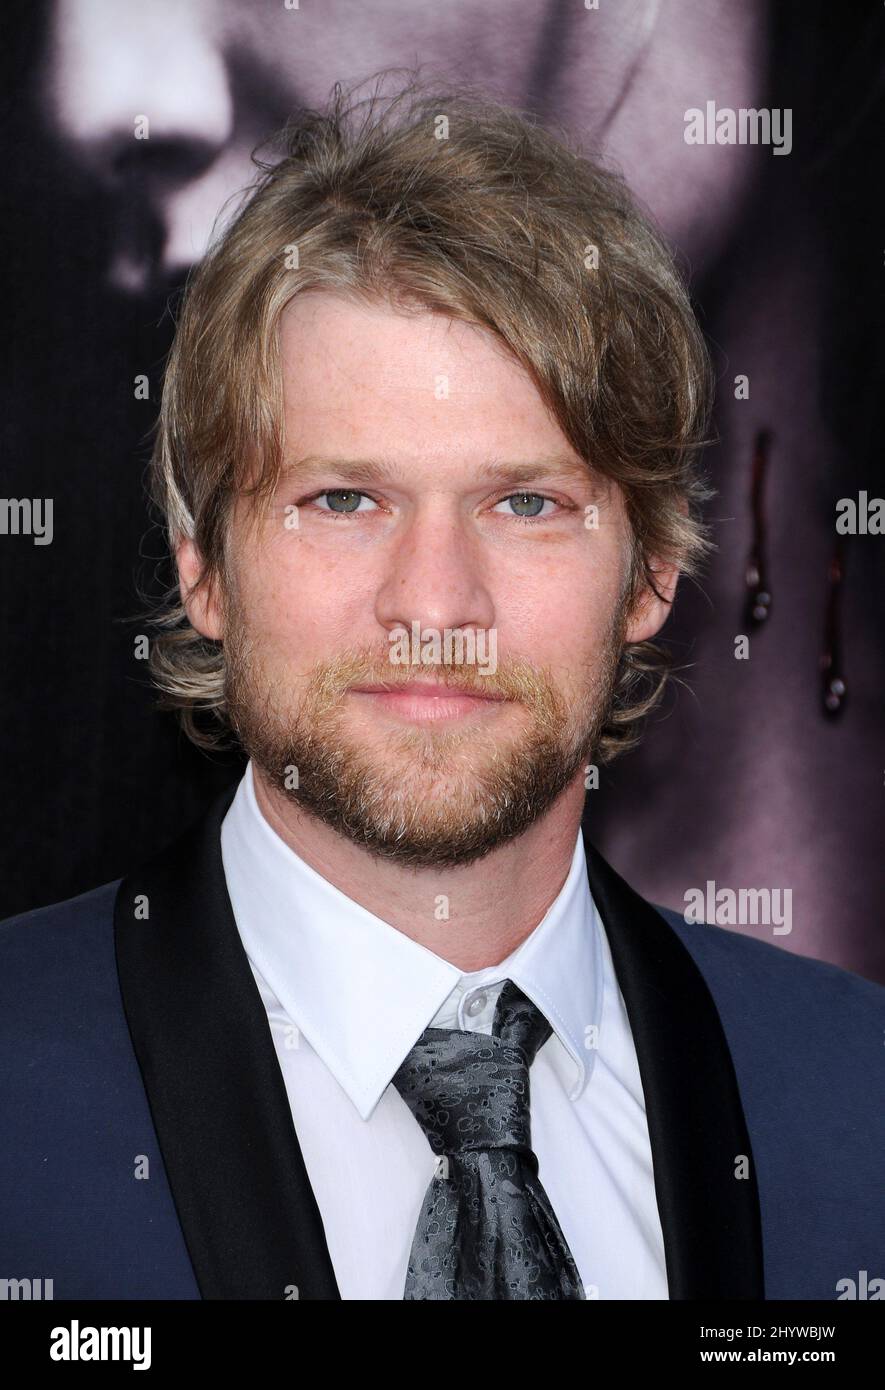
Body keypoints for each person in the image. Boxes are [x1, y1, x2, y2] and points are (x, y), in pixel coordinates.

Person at [1, 80, 881, 1302]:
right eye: (344, 500)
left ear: (653, 574)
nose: (434, 606)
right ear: (202, 563)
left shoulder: (857, 1095)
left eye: (526, 504)